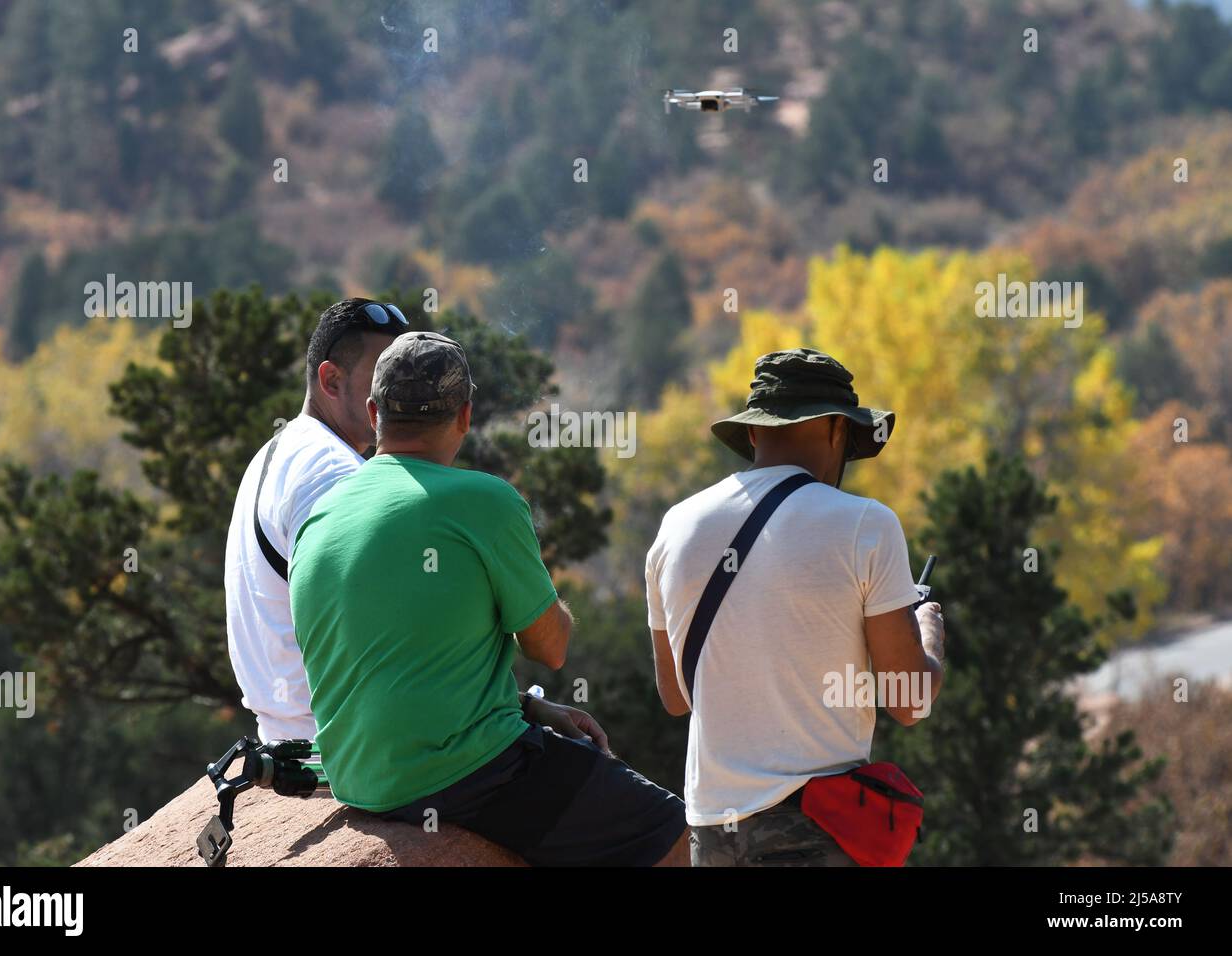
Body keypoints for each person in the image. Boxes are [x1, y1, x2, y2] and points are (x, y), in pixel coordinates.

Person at [291, 330, 689, 866]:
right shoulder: (484, 500)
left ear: (373, 410)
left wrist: (527, 706)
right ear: (465, 416)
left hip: (356, 778)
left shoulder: (321, 514)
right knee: (675, 830)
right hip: (462, 775)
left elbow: (394, 658)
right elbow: (550, 647)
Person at [644, 348, 946, 867]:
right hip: (819, 825)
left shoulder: (675, 526)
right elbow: (909, 701)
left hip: (713, 827)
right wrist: (929, 627)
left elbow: (676, 697)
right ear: (835, 430)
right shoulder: (866, 524)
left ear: (756, 432)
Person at [223, 298, 409, 742]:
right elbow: (368, 635)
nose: (396, 397)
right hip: (341, 747)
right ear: (331, 379)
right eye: (381, 380)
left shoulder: (279, 452)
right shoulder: (333, 472)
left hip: (289, 737)